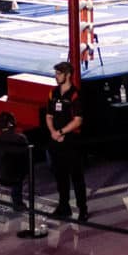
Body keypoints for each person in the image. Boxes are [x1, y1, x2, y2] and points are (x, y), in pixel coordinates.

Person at [44, 60, 89, 220]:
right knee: (60, 176)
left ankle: (82, 209)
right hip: (56, 140)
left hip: (72, 141)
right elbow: (48, 116)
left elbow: (78, 120)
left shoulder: (75, 94)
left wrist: (62, 132)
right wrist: (53, 133)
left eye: (59, 74)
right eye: (56, 73)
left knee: (77, 177)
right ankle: (64, 206)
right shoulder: (53, 93)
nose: (56, 76)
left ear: (68, 75)